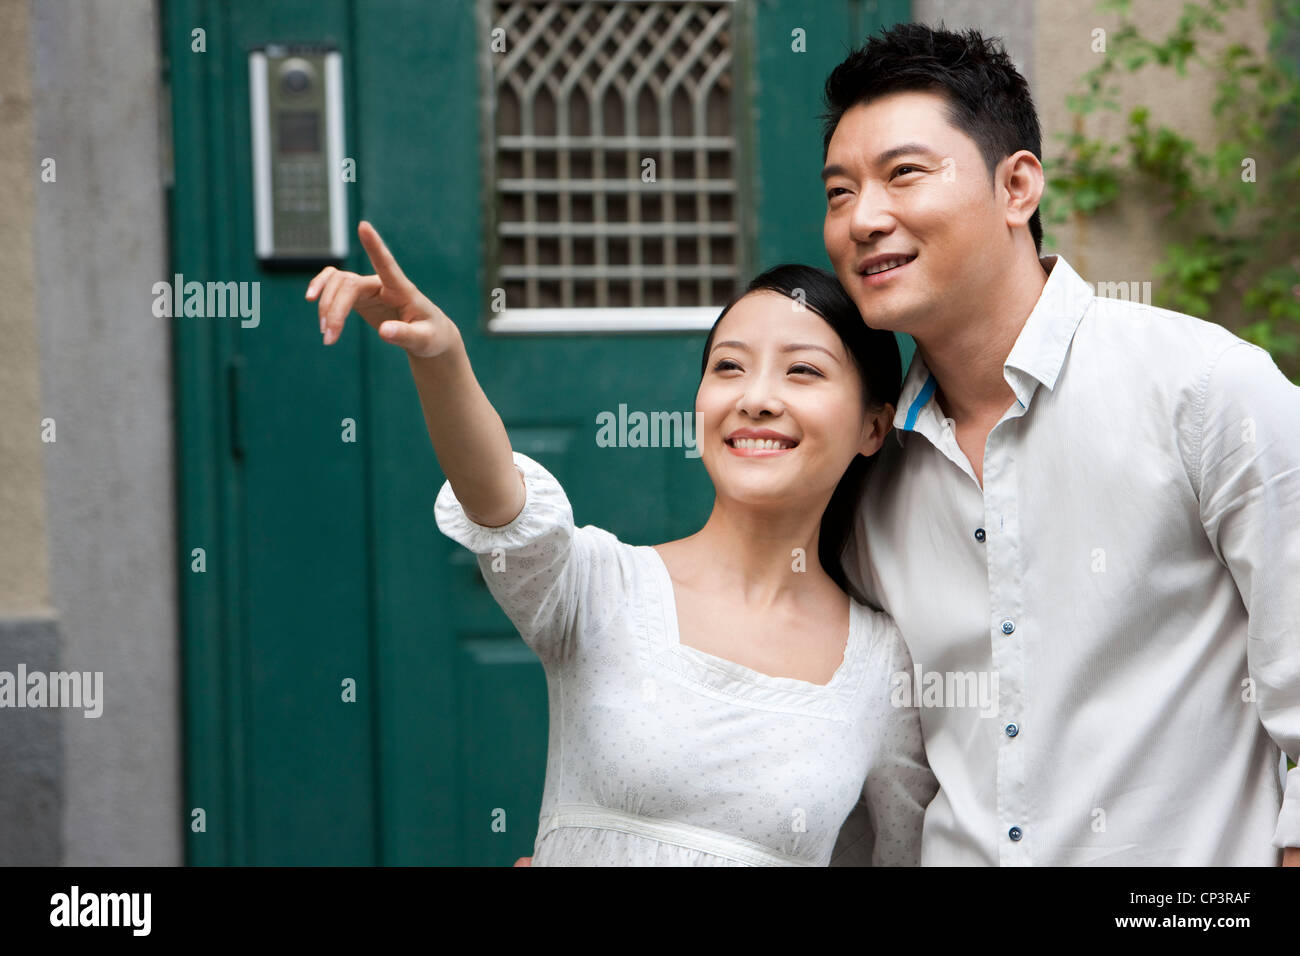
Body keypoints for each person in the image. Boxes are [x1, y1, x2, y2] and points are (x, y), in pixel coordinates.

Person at [306, 223, 938, 865]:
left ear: (873, 425)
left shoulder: (883, 666)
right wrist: (440, 359)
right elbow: (498, 501)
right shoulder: (603, 587)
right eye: (728, 367)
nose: (756, 398)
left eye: (802, 371)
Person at [820, 23, 1300, 865]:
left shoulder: (1204, 390)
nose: (864, 218)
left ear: (1018, 188)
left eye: (903, 173)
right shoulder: (868, 476)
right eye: (838, 192)